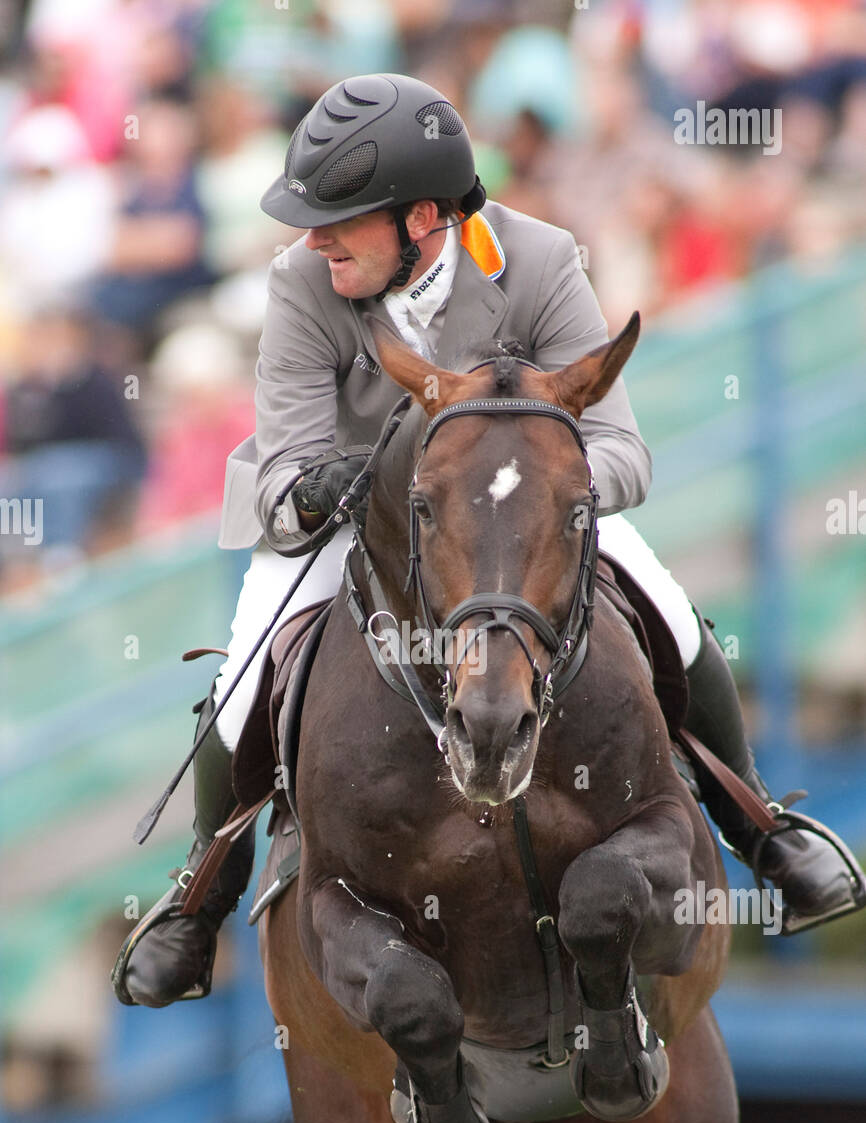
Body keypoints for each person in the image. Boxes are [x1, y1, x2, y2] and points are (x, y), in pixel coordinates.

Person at [113, 75, 865, 1049]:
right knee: (245, 670)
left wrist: (534, 486)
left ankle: (759, 827)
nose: (315, 241)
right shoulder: (301, 286)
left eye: (338, 221)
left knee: (671, 614)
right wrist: (316, 489)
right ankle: (198, 898)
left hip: (519, 523)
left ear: (422, 217)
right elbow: (284, 456)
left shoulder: (540, 260)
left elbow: (624, 450)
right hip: (350, 520)